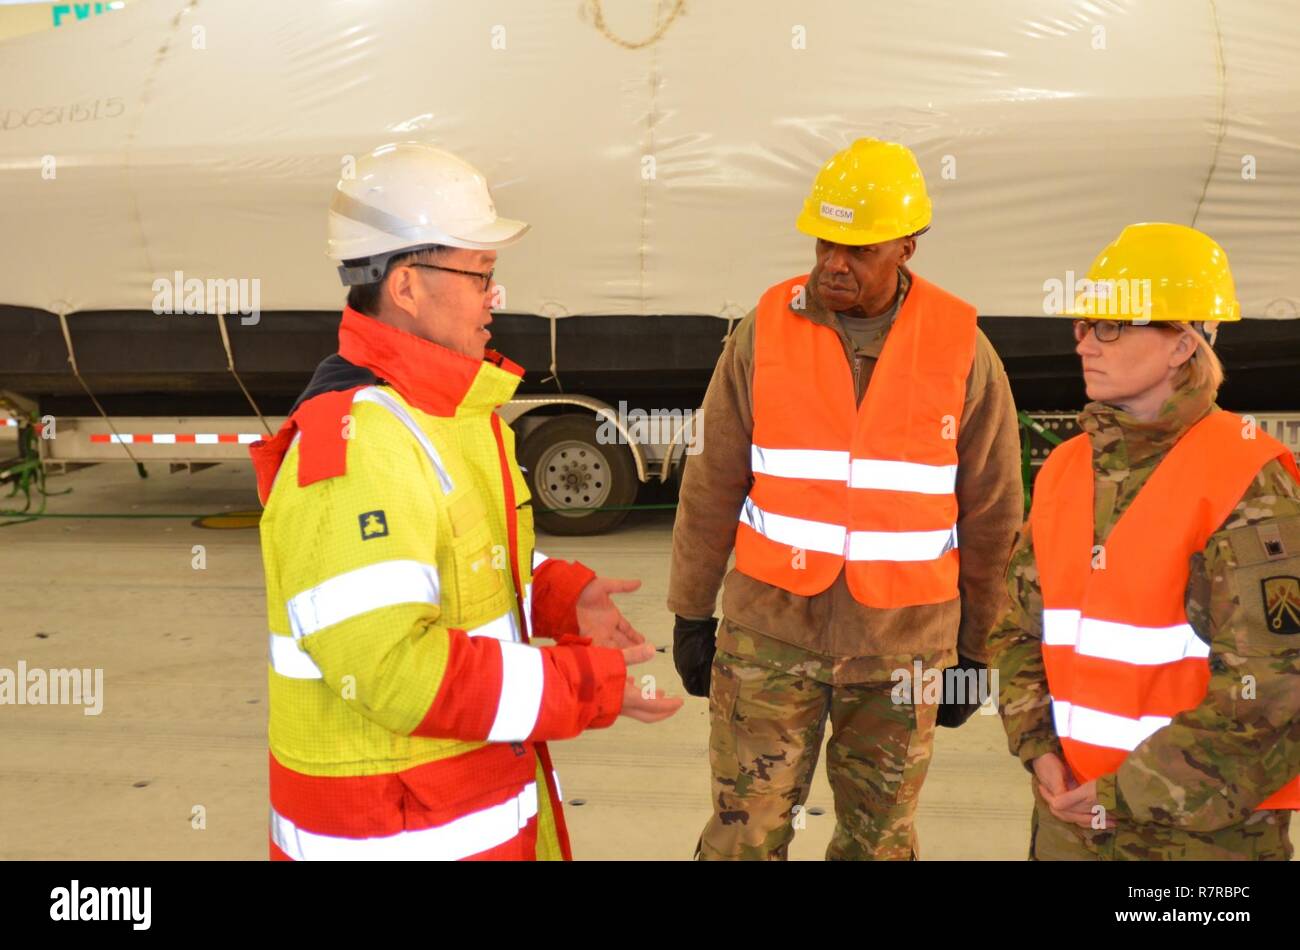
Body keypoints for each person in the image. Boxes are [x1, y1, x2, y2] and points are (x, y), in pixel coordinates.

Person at [250, 141, 681, 861]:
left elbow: (461, 555)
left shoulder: (444, 413)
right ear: (407, 286)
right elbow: (392, 669)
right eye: (480, 274)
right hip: (397, 838)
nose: (494, 297)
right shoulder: (357, 444)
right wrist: (583, 685)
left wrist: (555, 595)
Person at [668, 138, 1023, 860]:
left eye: (859, 248)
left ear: (907, 247)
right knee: (743, 836)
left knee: (879, 845)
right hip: (770, 636)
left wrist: (977, 651)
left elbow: (993, 516)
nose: (834, 261)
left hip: (903, 651)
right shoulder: (764, 329)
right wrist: (688, 611)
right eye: (827, 240)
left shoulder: (962, 347)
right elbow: (711, 481)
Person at [990, 222, 1300, 860]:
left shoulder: (1248, 478)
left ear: (1183, 344)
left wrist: (1127, 789)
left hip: (1200, 840)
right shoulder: (1066, 470)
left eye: (1112, 327)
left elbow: (1273, 688)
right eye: (1083, 326)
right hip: (1068, 819)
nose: (1085, 346)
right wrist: (1038, 749)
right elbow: (1017, 632)